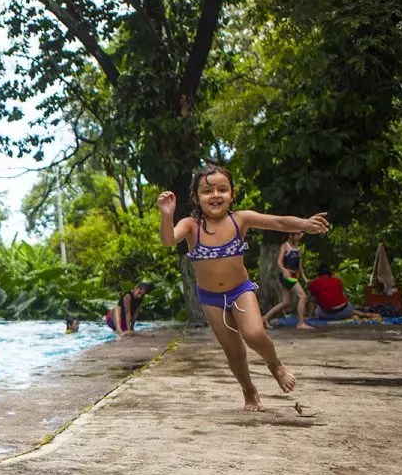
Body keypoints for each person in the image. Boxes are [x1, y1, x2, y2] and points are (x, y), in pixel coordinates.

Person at [158, 165, 330, 411]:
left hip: (240, 290)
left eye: (222, 189)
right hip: (210, 298)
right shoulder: (190, 225)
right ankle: (248, 389)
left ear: (232, 194)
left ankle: (275, 365)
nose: (215, 195)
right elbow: (167, 240)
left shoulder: (240, 220)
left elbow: (279, 222)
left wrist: (304, 223)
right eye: (207, 191)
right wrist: (167, 215)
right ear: (196, 197)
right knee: (234, 351)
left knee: (254, 334)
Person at [261, 232, 314, 330]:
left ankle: (265, 317)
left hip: (294, 275)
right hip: (287, 276)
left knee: (286, 302)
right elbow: (279, 262)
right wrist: (284, 270)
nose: (299, 237)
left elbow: (299, 265)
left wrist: (304, 277)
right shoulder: (285, 246)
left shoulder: (297, 247)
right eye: (297, 235)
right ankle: (301, 323)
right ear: (291, 235)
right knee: (303, 296)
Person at [307, 264, 383, 322]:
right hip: (345, 311)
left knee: (317, 308)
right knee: (347, 307)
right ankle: (364, 315)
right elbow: (341, 296)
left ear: (318, 273)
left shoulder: (314, 283)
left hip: (328, 314)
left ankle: (353, 316)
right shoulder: (337, 281)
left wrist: (310, 317)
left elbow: (312, 302)